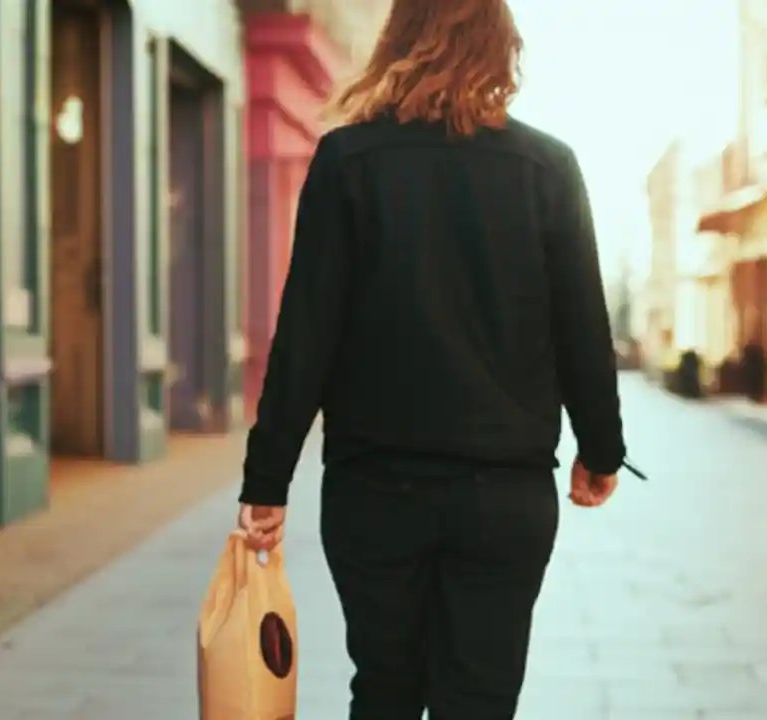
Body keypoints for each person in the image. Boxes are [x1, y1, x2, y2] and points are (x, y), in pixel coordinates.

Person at [236, 0, 638, 717]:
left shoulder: (348, 160)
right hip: (503, 495)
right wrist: (600, 450)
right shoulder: (547, 167)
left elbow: (306, 334)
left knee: (385, 687)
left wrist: (267, 480)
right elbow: (582, 323)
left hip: (375, 491)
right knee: (480, 698)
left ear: (398, 40)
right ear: (501, 50)